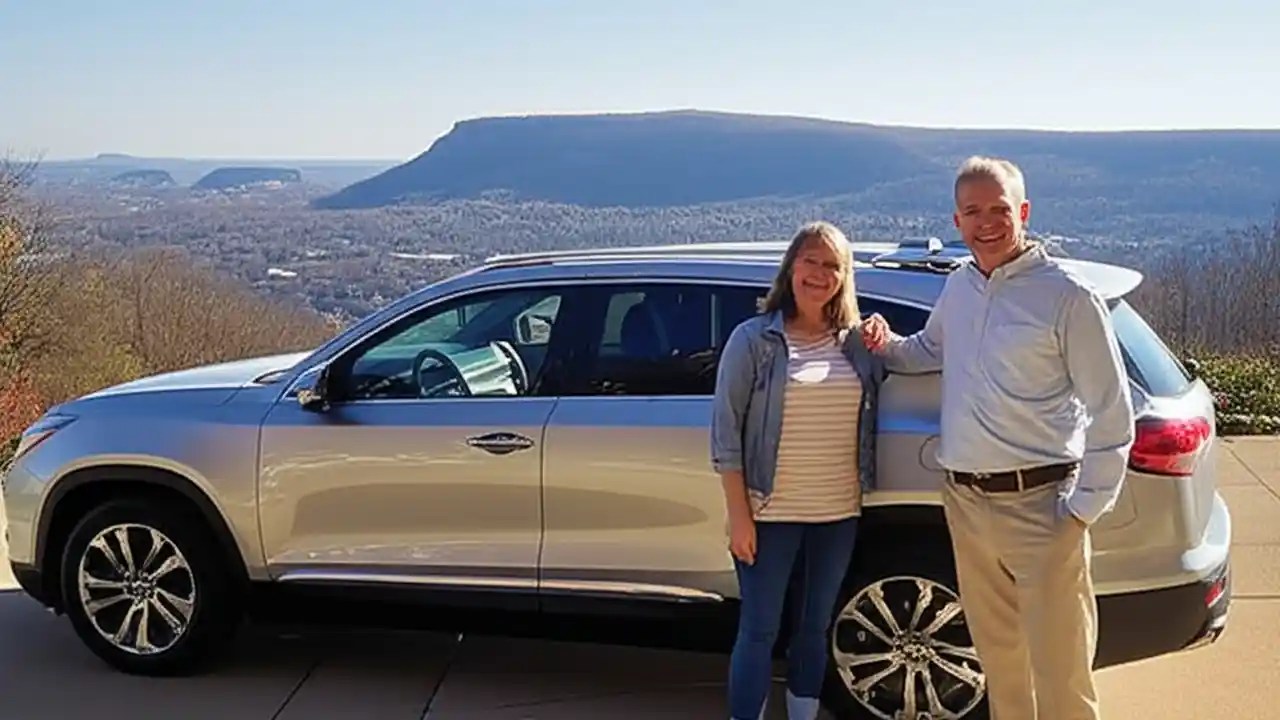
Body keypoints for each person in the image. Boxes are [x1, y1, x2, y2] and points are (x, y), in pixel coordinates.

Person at [860, 156, 1135, 720]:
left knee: (1061, 673)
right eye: (972, 211)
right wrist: (884, 344)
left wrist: (1079, 514)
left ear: (1024, 212)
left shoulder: (1066, 296)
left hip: (1044, 507)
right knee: (1000, 667)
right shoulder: (960, 286)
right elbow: (931, 350)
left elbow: (1113, 415)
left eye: (999, 209)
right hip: (965, 504)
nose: (987, 222)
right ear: (956, 221)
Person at [710, 221, 886, 720]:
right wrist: (739, 515)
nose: (820, 273)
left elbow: (910, 365)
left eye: (833, 265)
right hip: (770, 511)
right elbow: (726, 435)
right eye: (811, 260)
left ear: (844, 278)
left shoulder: (855, 344)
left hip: (838, 512)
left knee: (815, 627)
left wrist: (882, 333)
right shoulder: (754, 341)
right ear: (791, 268)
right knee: (760, 628)